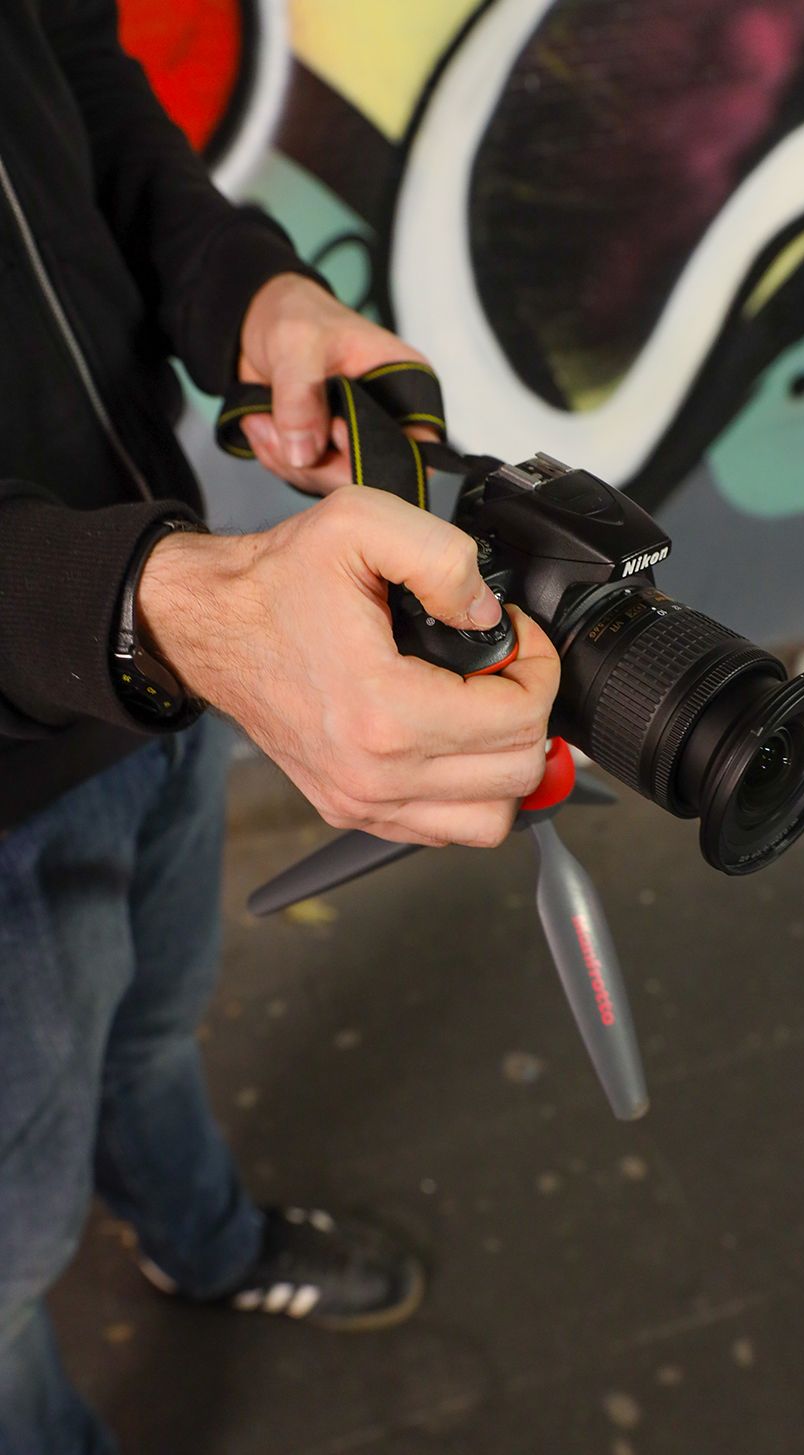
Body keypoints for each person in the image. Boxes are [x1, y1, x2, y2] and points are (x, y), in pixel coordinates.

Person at [0, 2, 560, 1450]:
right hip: (86, 695)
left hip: (168, 667)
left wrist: (250, 292)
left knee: (150, 1033)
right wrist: (151, 603)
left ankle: (203, 1238)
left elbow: (69, 70)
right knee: (6, 1263)